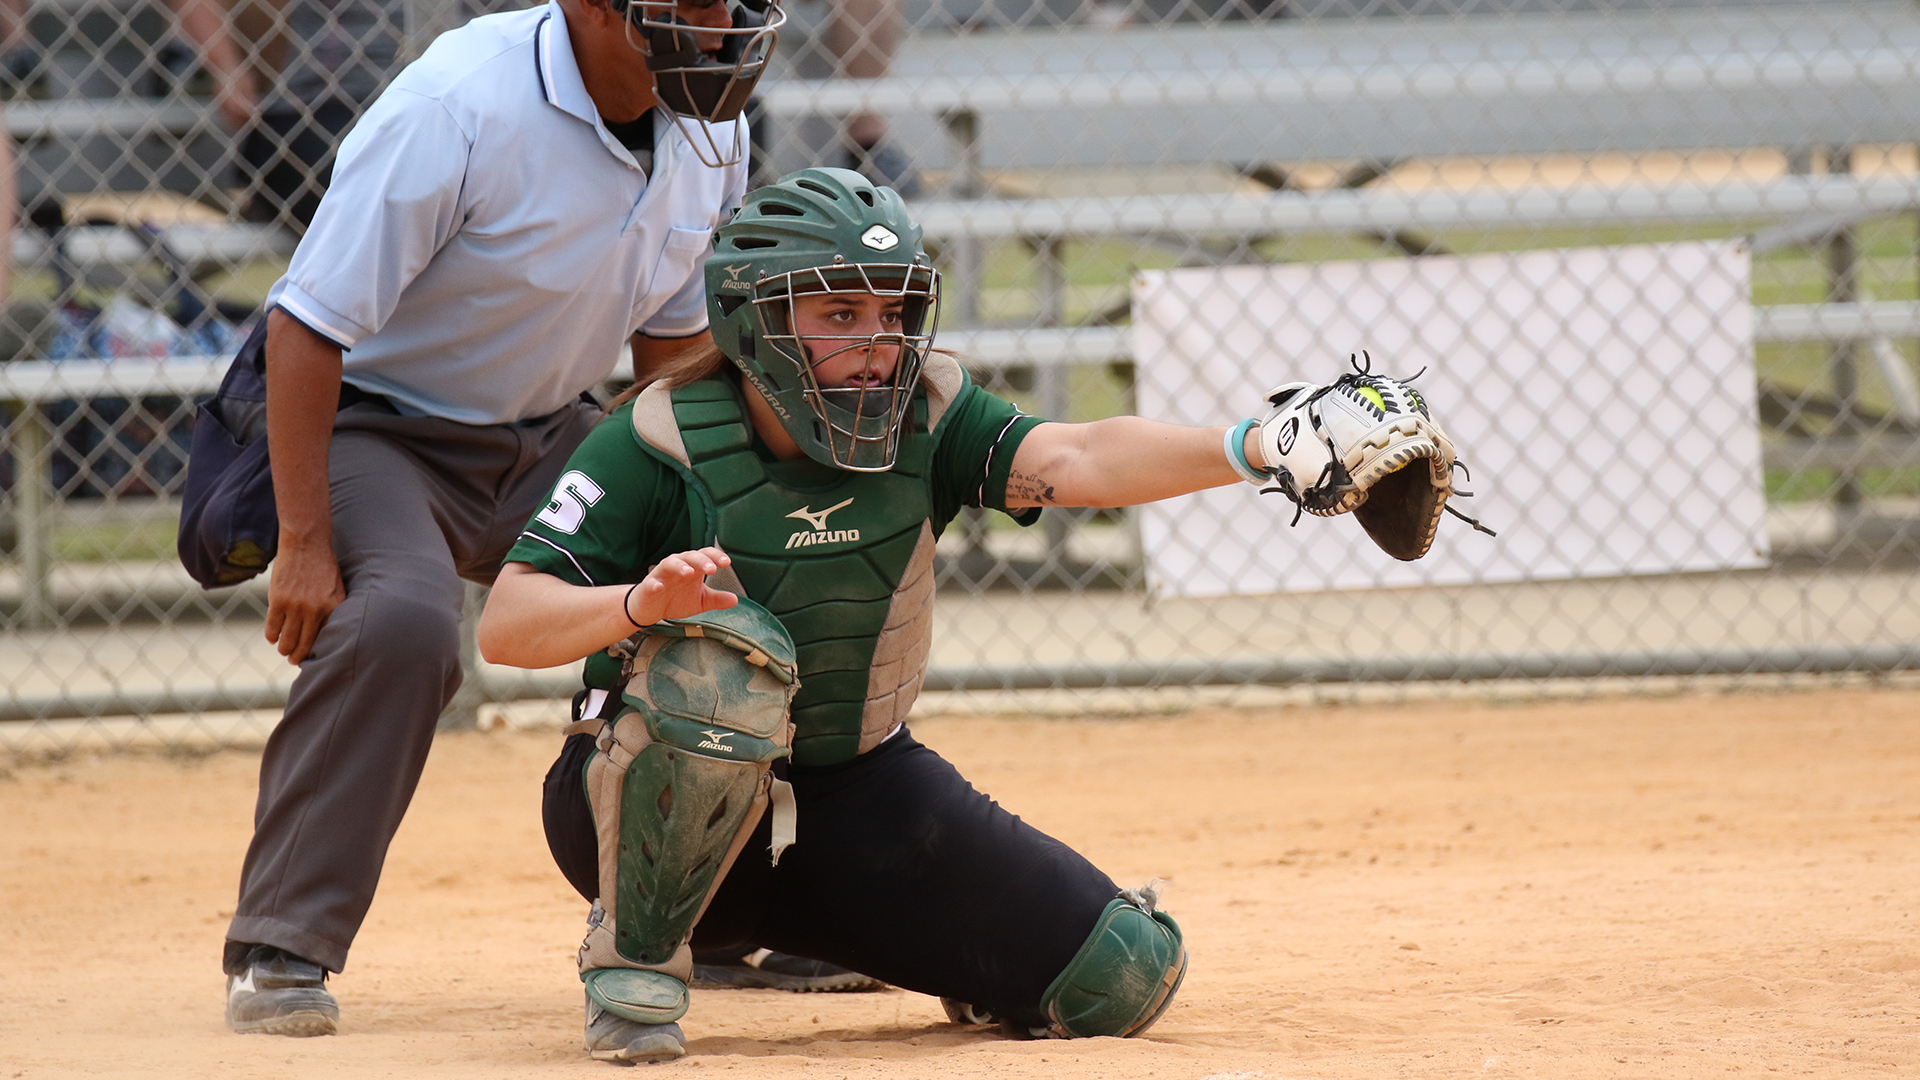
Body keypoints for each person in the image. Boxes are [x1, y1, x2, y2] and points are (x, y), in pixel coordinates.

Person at [478, 165, 1320, 1063]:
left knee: (1118, 974)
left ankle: (913, 944)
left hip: (860, 792)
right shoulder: (657, 437)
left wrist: (1259, 445)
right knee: (720, 665)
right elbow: (508, 622)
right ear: (751, 318)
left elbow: (1078, 456)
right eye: (839, 315)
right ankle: (634, 968)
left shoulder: (931, 411)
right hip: (647, 799)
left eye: (892, 313)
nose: (875, 343)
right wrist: (638, 604)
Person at [216, 0, 786, 1039]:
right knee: (402, 623)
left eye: (730, 4)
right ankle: (280, 942)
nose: (721, 23)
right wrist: (302, 543)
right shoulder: (459, 103)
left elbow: (669, 346)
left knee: (746, 586)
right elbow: (304, 324)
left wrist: (694, 510)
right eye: (691, 3)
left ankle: (739, 906)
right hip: (381, 431)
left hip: (552, 429)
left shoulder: (710, 117)